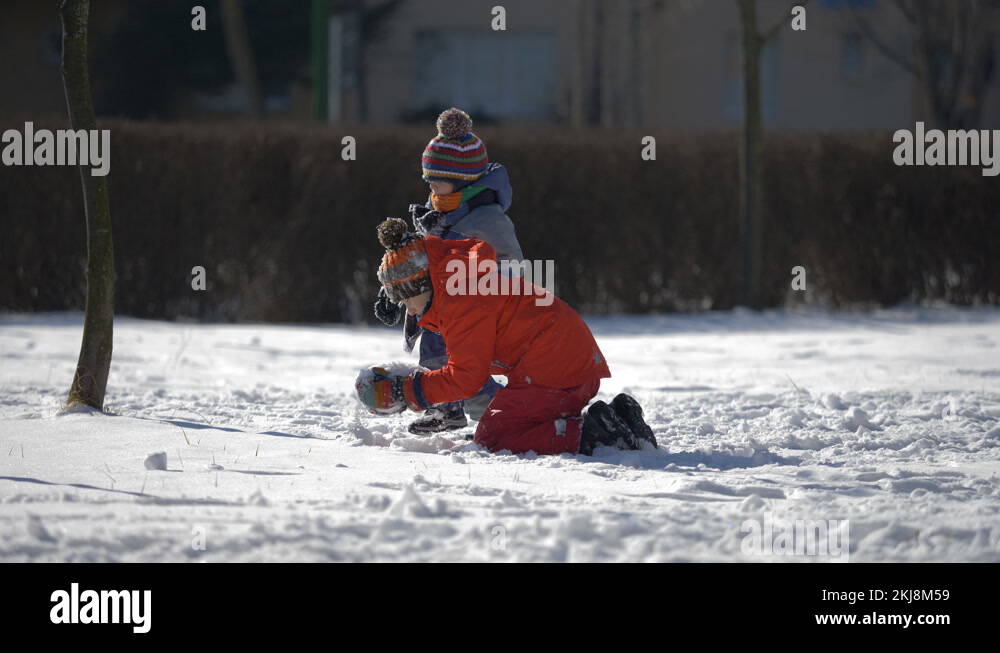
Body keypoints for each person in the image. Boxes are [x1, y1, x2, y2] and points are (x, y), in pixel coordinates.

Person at [358, 218, 658, 456]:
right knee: (507, 423)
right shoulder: (458, 283)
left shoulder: (462, 302)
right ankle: (619, 418)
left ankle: (594, 434)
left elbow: (466, 378)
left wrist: (409, 392)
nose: (409, 310)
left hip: (554, 367)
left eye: (407, 299)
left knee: (495, 437)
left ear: (424, 284)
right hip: (563, 361)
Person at [374, 107, 523, 435]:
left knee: (466, 366)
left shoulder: (487, 219)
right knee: (437, 354)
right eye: (428, 180)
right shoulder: (437, 212)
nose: (431, 188)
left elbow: (510, 266)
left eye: (437, 182)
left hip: (476, 311)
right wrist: (393, 293)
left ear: (462, 181)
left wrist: (480, 294)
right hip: (441, 310)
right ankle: (446, 409)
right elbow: (417, 262)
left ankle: (503, 417)